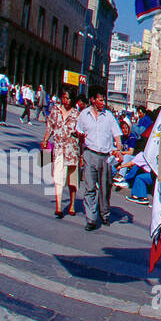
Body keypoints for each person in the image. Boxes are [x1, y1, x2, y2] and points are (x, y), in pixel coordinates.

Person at [75, 87, 122, 232]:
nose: (103, 103)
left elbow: (117, 135)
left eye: (104, 100)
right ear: (93, 100)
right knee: (89, 188)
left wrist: (118, 149)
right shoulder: (84, 115)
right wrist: (80, 148)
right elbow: (79, 133)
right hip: (90, 154)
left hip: (105, 157)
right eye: (100, 100)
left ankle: (105, 213)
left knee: (105, 188)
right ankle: (91, 219)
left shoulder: (108, 116)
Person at [43, 89, 80, 218]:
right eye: (64, 97)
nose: (66, 101)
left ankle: (72, 204)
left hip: (72, 151)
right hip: (59, 148)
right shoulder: (55, 110)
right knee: (58, 177)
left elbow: (80, 133)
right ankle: (58, 207)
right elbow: (50, 126)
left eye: (68, 98)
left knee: (72, 180)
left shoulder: (76, 114)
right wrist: (45, 140)